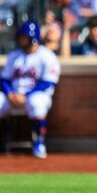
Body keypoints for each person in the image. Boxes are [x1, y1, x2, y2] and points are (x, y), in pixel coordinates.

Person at [0, 21, 61, 159]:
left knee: (37, 103)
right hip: (13, 96)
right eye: (21, 36)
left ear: (33, 37)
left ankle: (39, 143)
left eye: (24, 37)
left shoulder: (47, 56)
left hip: (35, 95)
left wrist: (26, 95)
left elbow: (48, 82)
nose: (21, 39)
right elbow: (4, 79)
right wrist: (9, 93)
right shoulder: (14, 55)